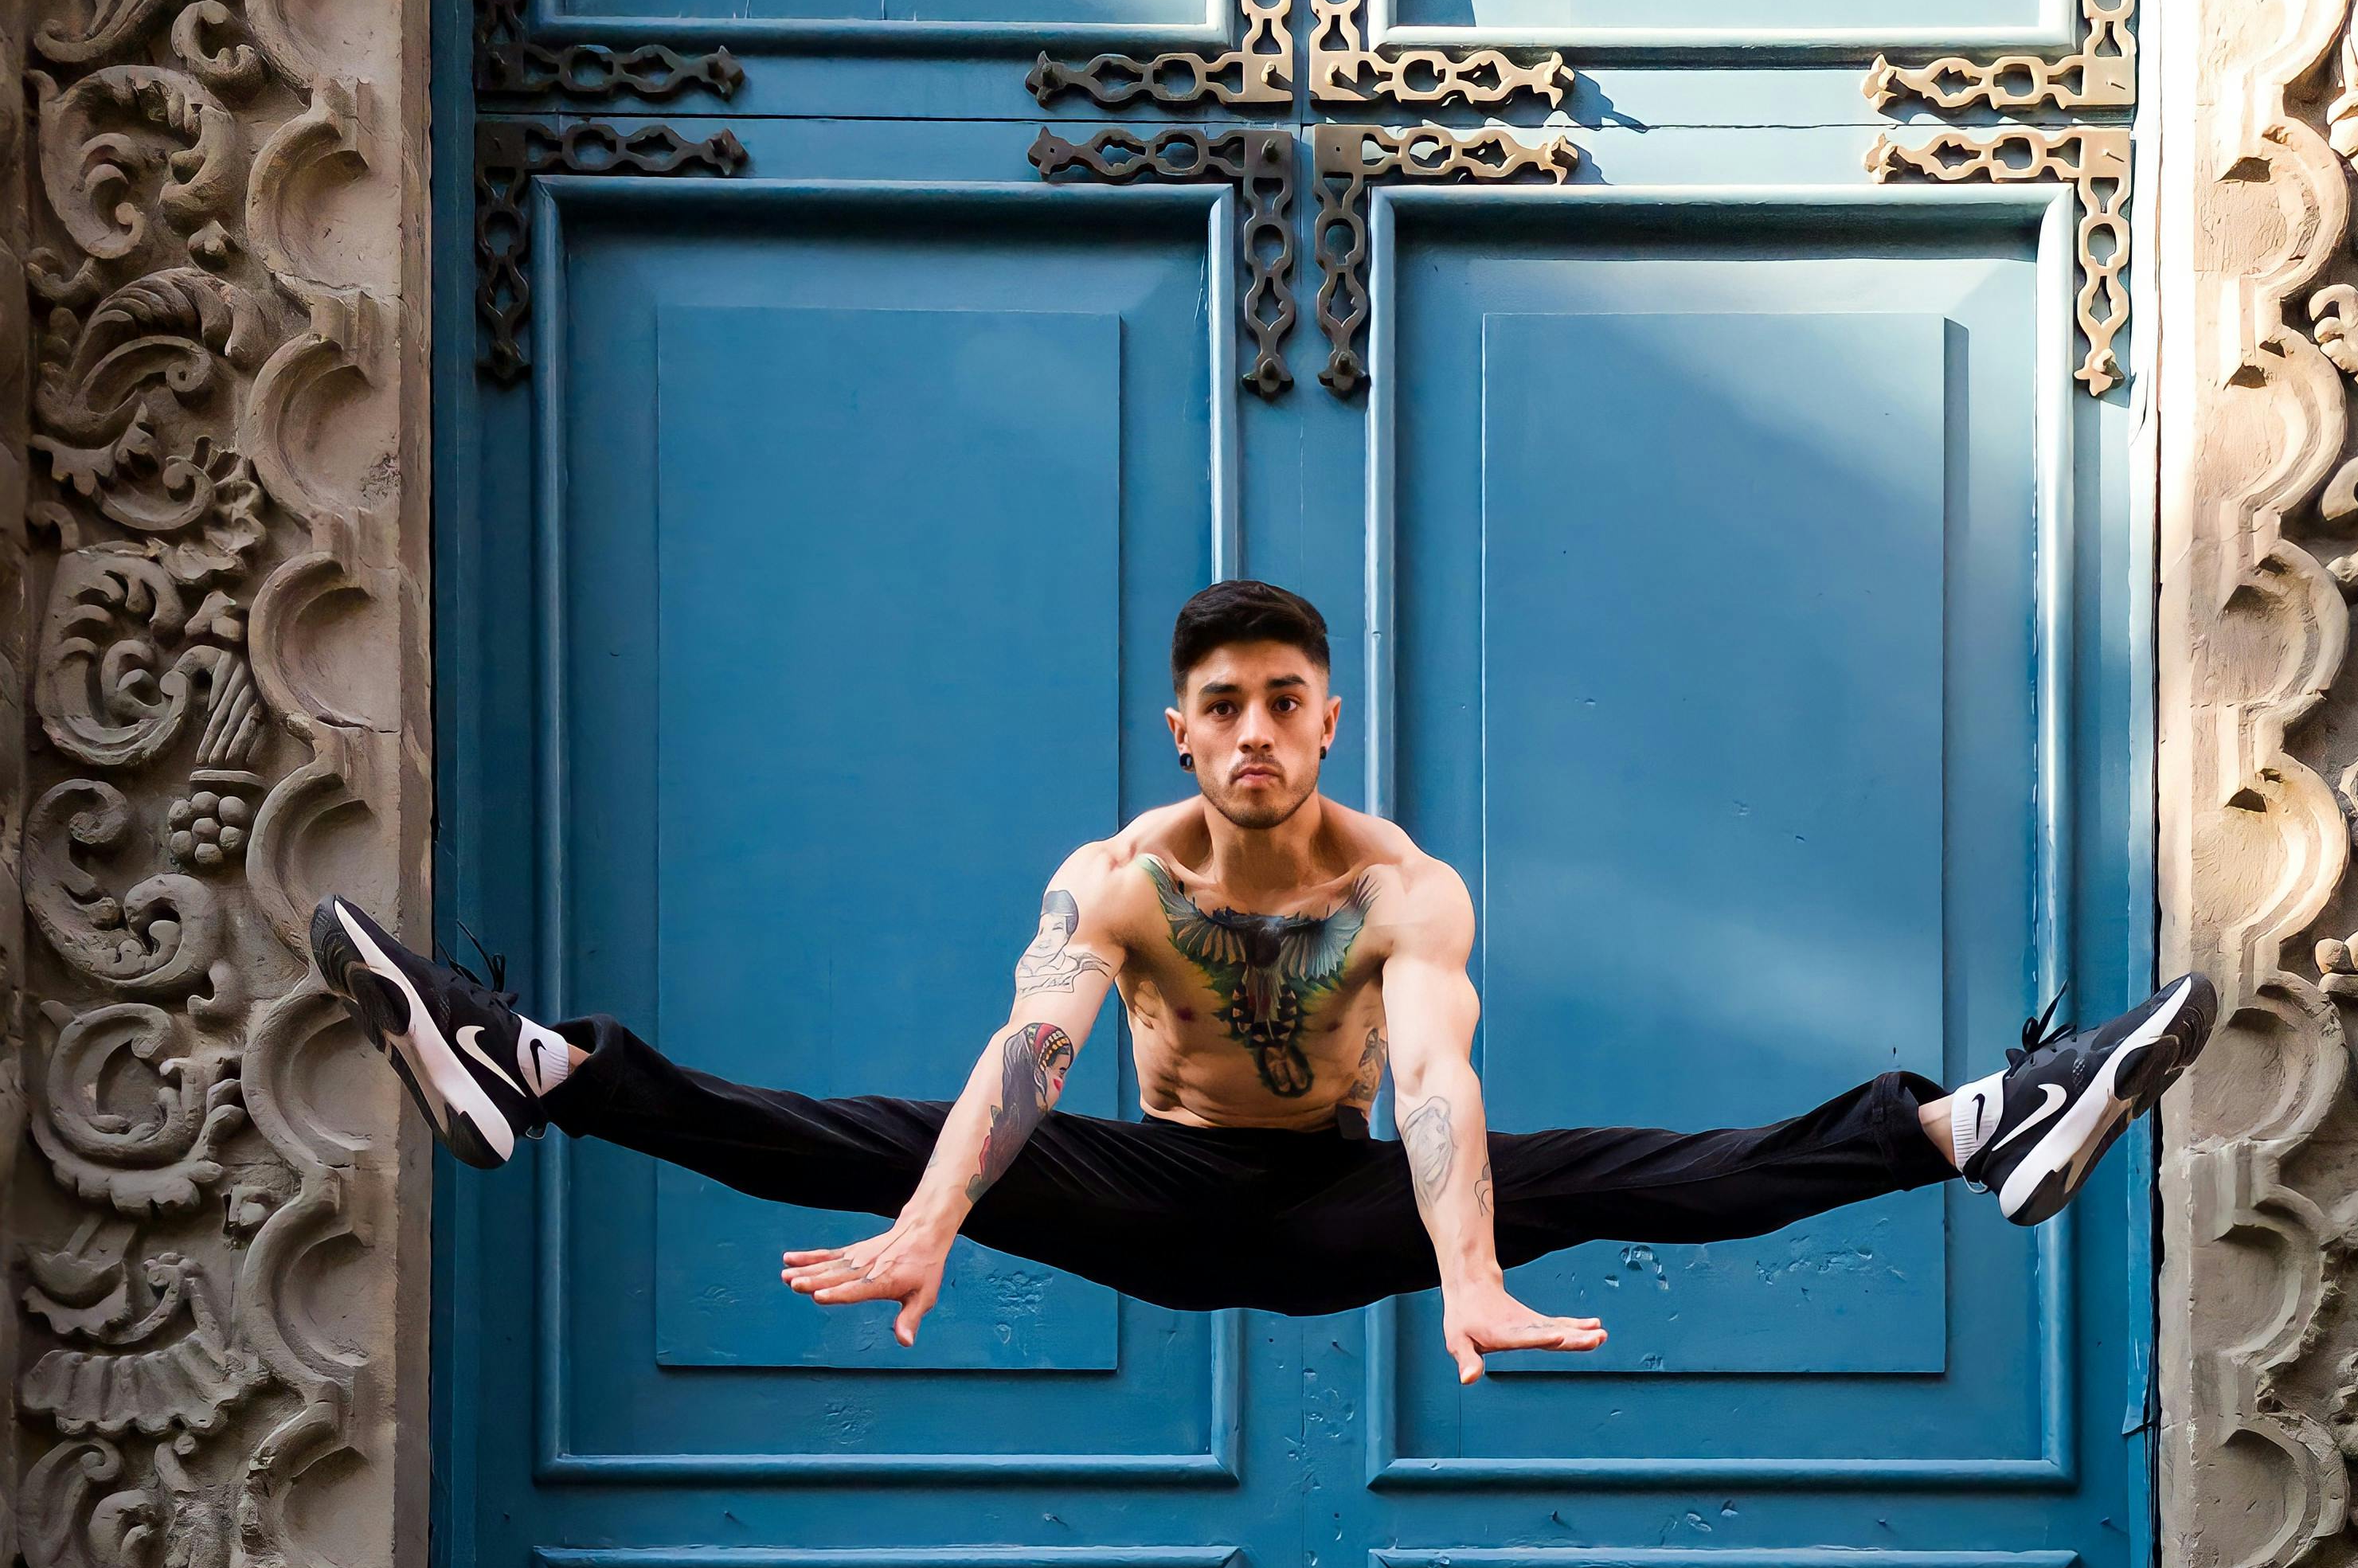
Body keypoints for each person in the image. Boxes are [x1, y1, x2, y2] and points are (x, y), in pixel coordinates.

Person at [311, 578, 2211, 1384]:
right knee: (890, 1134)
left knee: (1600, 1166)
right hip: (1154, 1188)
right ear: (1181, 722)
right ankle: (534, 1066)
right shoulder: (1118, 880)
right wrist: (925, 1221)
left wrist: (1468, 1270)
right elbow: (1032, 1046)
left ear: (1323, 717)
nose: (1251, 733)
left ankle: (1977, 1123)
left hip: (1328, 1205)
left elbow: (1443, 1082)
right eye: (1219, 705)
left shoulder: (1403, 889)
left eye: (1282, 703)